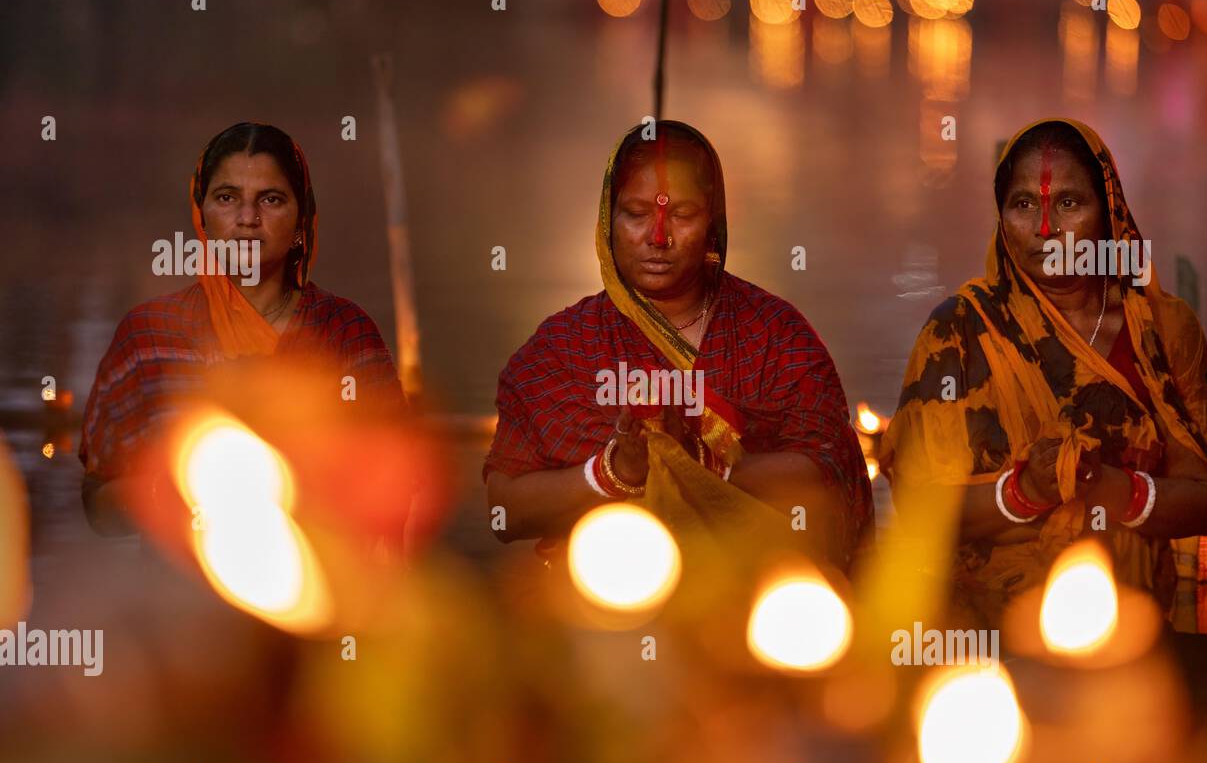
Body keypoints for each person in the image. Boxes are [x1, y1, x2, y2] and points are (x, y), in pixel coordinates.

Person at [882, 117, 1207, 637]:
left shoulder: (1162, 328)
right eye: (1023, 204)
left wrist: (1117, 490)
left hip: (1131, 629)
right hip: (986, 638)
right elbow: (920, 510)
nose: (1045, 229)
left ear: (1108, 213)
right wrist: (1025, 490)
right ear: (1001, 217)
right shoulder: (959, 330)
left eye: (1068, 203)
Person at [484, 121, 871, 570]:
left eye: (682, 214)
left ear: (713, 223)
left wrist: (704, 463)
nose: (658, 236)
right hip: (599, 601)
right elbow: (504, 512)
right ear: (608, 219)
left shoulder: (775, 334)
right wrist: (615, 472)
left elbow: (830, 475)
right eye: (635, 212)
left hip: (753, 597)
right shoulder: (563, 346)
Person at [80, 122, 407, 537]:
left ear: (301, 220)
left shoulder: (343, 331)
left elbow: (399, 485)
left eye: (271, 200)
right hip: (174, 593)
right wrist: (175, 489)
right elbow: (98, 503)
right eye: (226, 197)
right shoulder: (149, 336)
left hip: (324, 588)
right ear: (201, 214)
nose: (248, 218)